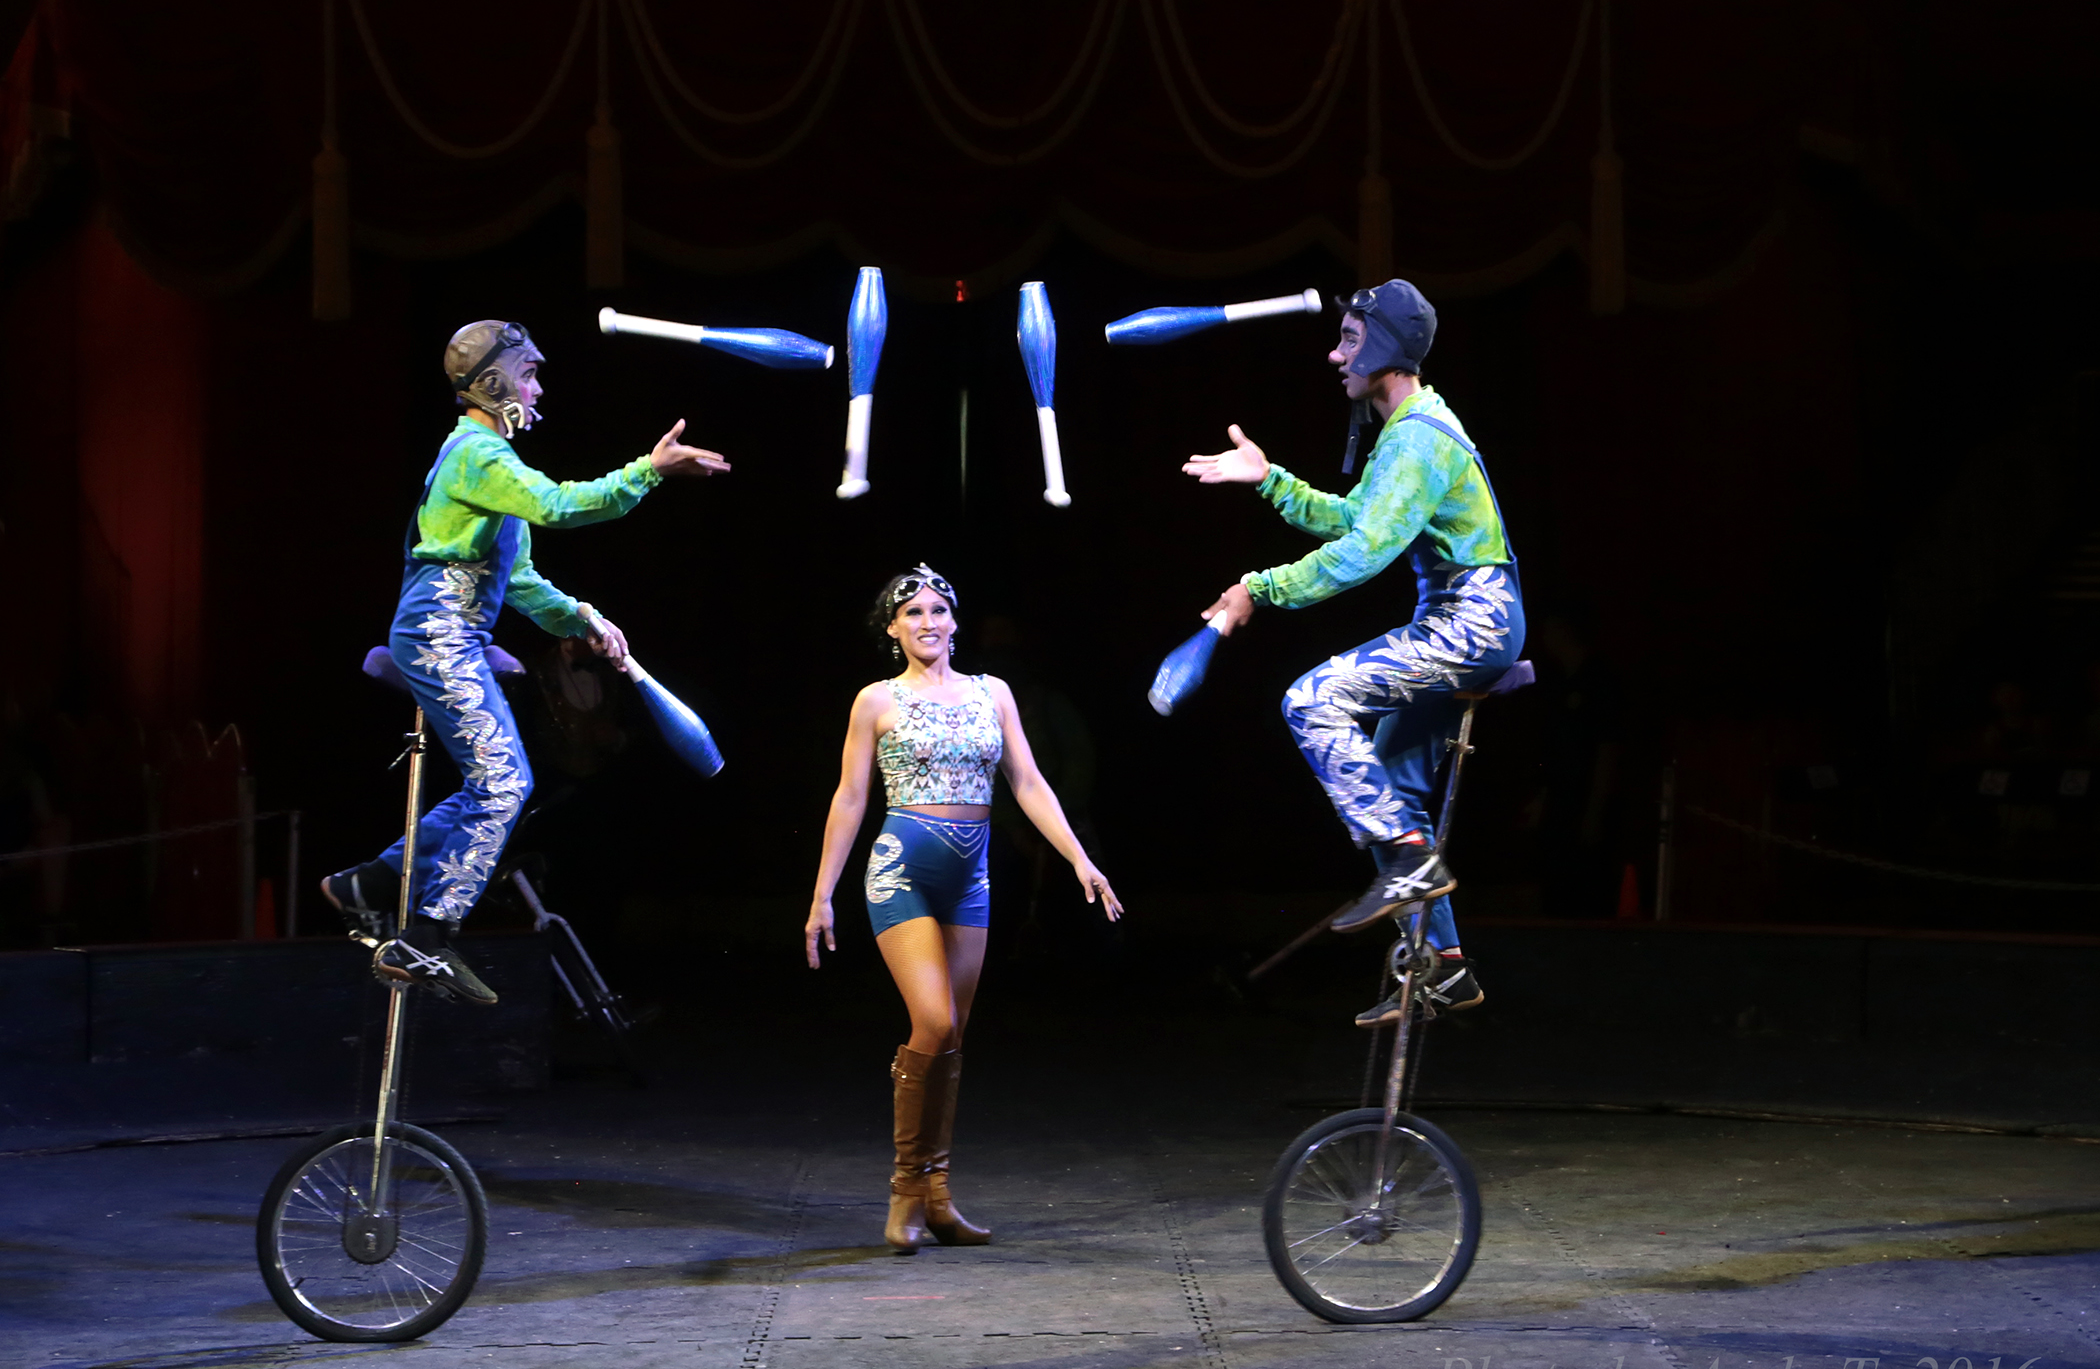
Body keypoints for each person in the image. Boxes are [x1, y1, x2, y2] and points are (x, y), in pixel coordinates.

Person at [321, 320, 728, 1003]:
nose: (538, 390)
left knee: (502, 782)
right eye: (530, 375)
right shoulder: (478, 455)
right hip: (436, 634)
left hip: (456, 635)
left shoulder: (489, 464)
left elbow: (523, 581)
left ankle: (367, 884)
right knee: (504, 783)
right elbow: (560, 504)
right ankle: (424, 936)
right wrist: (648, 471)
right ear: (495, 383)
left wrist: (586, 619)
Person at [1181, 279, 1522, 1026]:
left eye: (1351, 342)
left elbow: (1364, 551)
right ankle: (1447, 967)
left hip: (1475, 621)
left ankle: (1408, 863)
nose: (1336, 355)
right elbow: (1354, 519)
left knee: (1310, 699)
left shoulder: (1418, 437)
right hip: (1464, 616)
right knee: (1390, 782)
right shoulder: (1407, 431)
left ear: (1390, 350)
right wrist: (1267, 478)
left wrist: (1255, 589)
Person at [804, 565, 1122, 1254]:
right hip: (902, 873)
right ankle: (904, 1189)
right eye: (912, 612)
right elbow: (850, 797)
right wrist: (823, 892)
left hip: (970, 878)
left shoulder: (992, 693)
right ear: (892, 628)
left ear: (955, 621)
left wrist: (1077, 857)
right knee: (934, 1019)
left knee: (953, 1039)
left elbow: (1029, 781)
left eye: (939, 609)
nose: (928, 621)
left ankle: (938, 1193)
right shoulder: (876, 700)